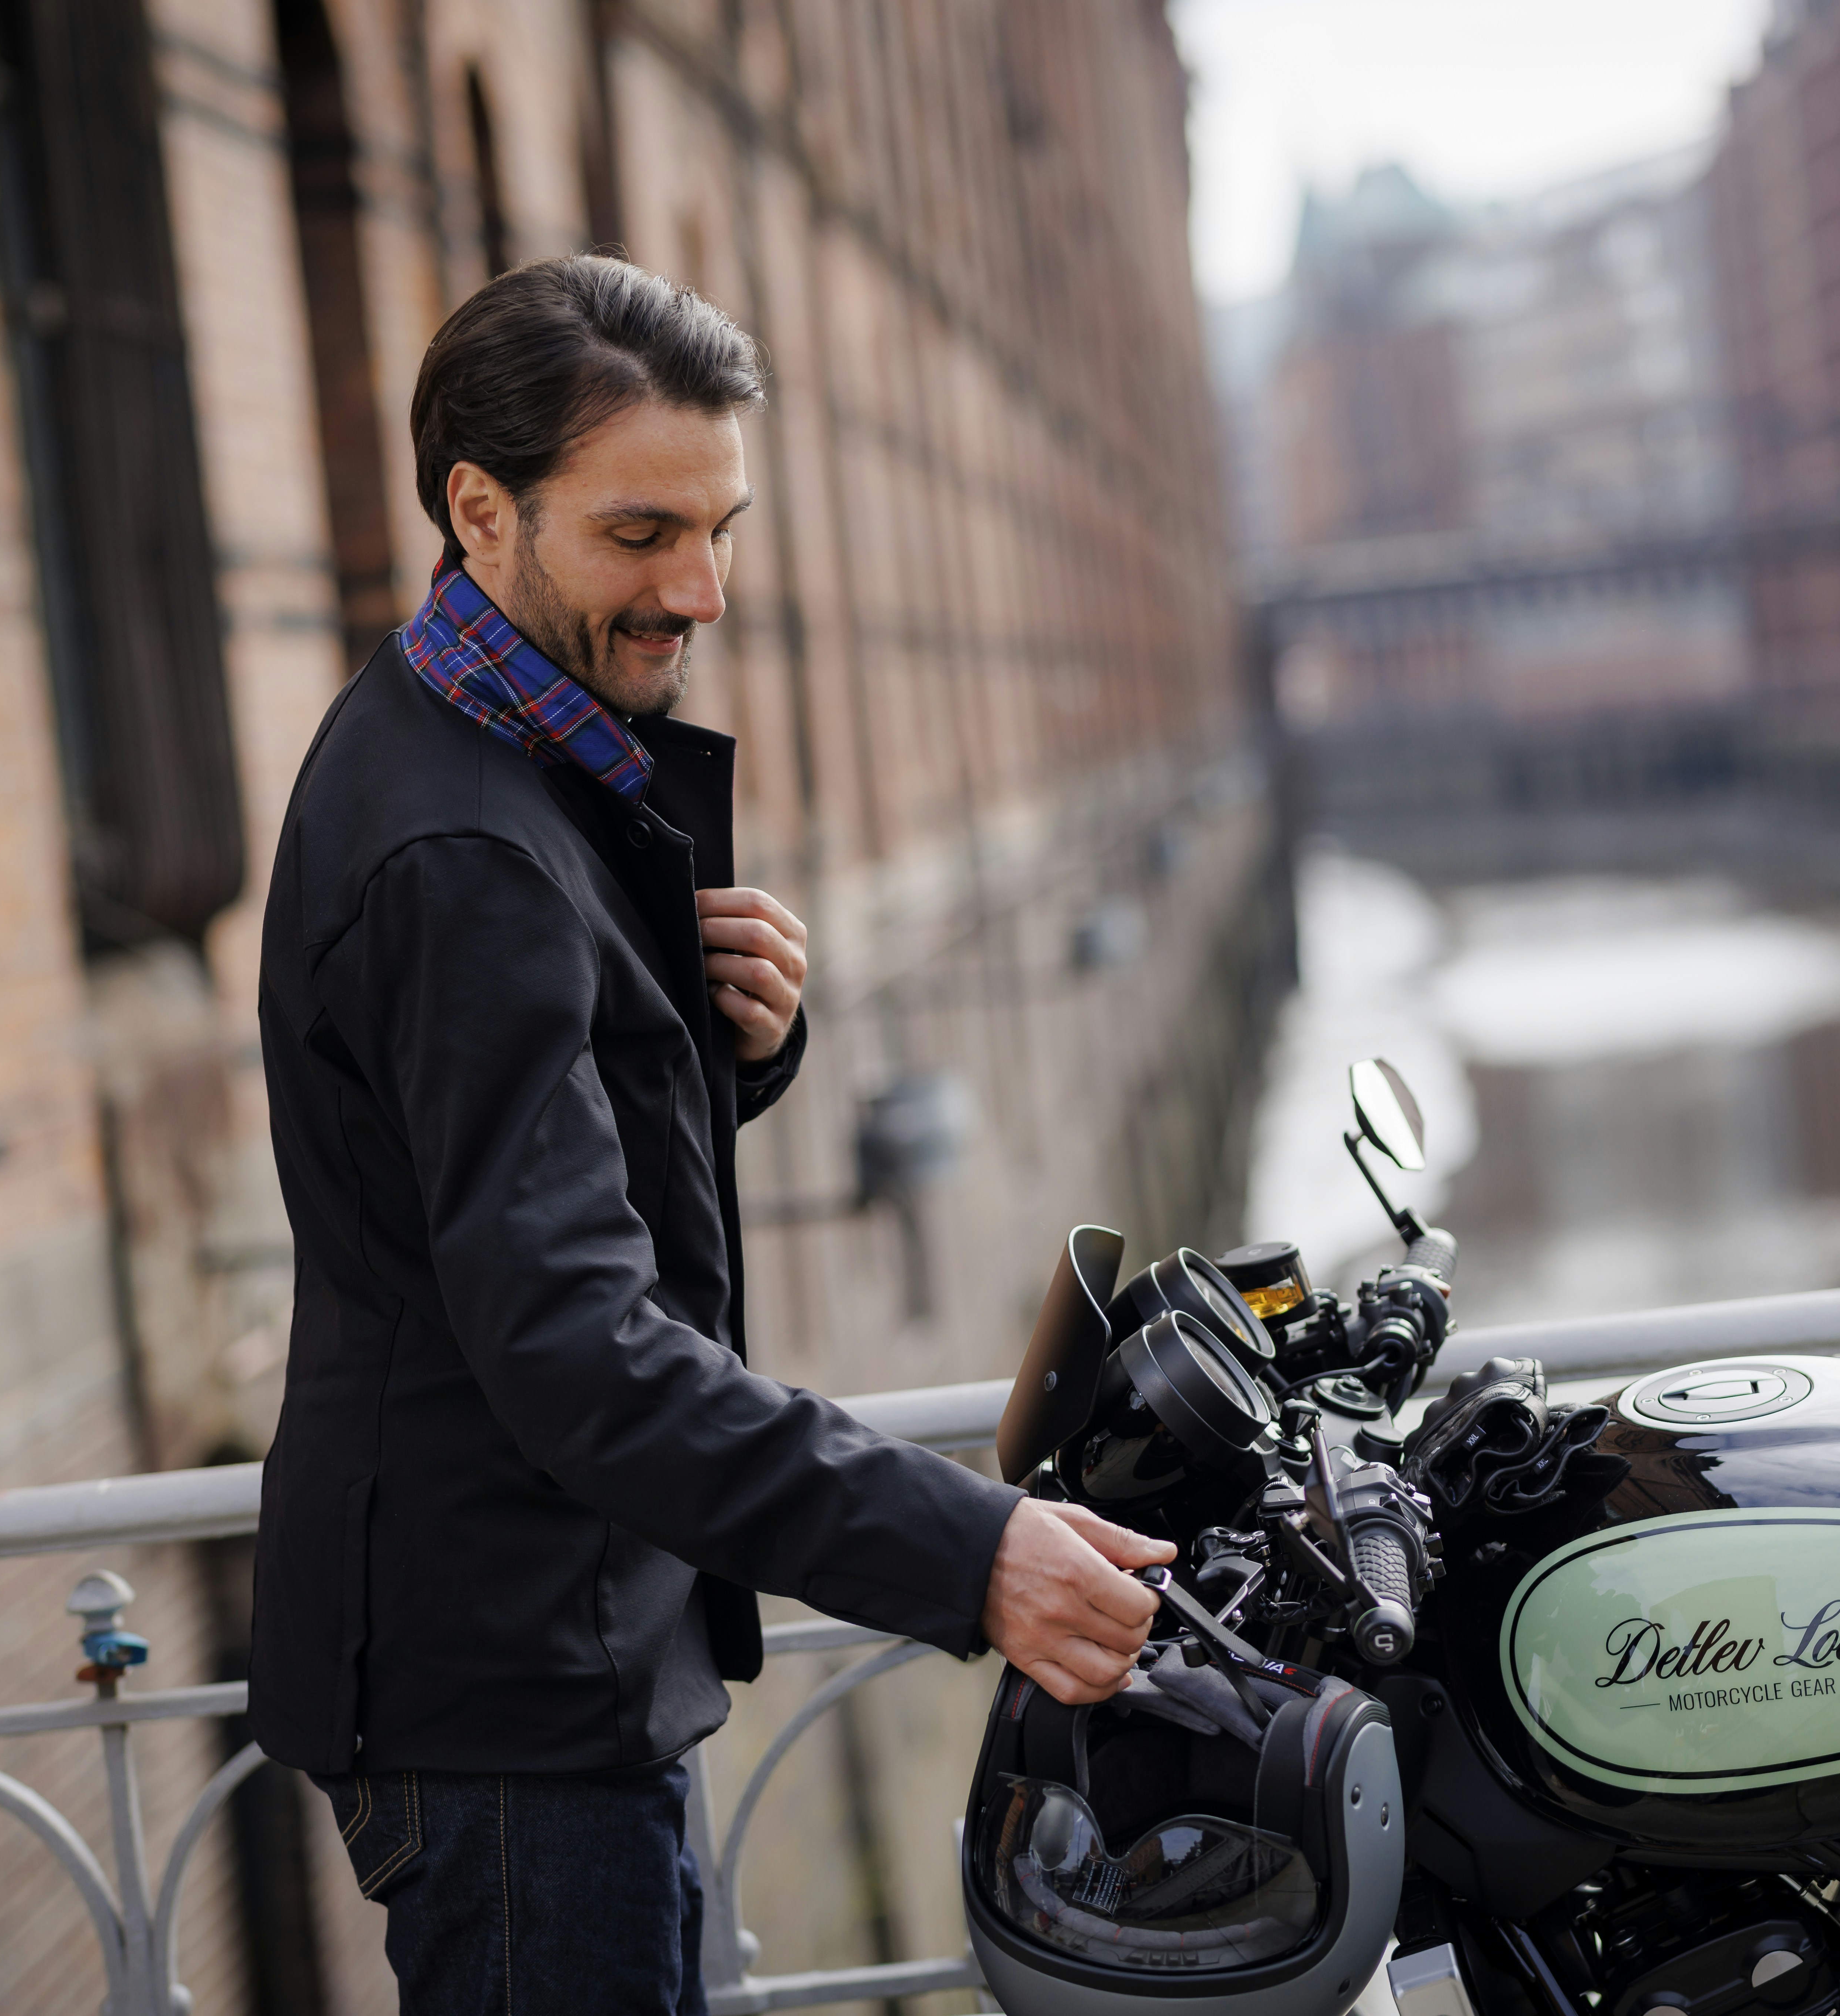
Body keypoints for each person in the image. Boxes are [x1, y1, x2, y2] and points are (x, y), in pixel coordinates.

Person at [248, 255, 1174, 2014]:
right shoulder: (465, 846)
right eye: (641, 534)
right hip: (506, 1695)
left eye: (723, 530)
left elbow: (496, 1179)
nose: (700, 589)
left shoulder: (489, 747)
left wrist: (710, 1037)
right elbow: (575, 1340)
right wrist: (965, 1553)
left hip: (538, 1648)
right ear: (480, 510)